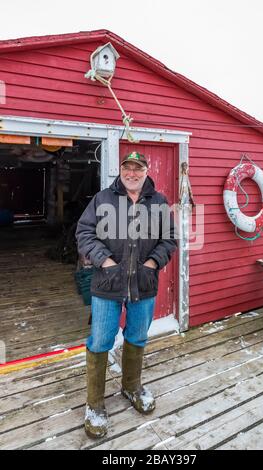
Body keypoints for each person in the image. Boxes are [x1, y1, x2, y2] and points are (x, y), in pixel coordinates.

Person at [76, 151, 177, 439]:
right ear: (121, 170)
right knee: (100, 339)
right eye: (127, 168)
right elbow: (84, 233)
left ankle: (131, 387)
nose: (132, 173)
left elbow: (169, 238)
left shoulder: (158, 202)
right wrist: (105, 261)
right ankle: (94, 404)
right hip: (107, 284)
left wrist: (152, 264)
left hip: (143, 284)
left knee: (137, 336)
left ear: (146, 171)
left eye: (138, 168)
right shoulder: (103, 199)